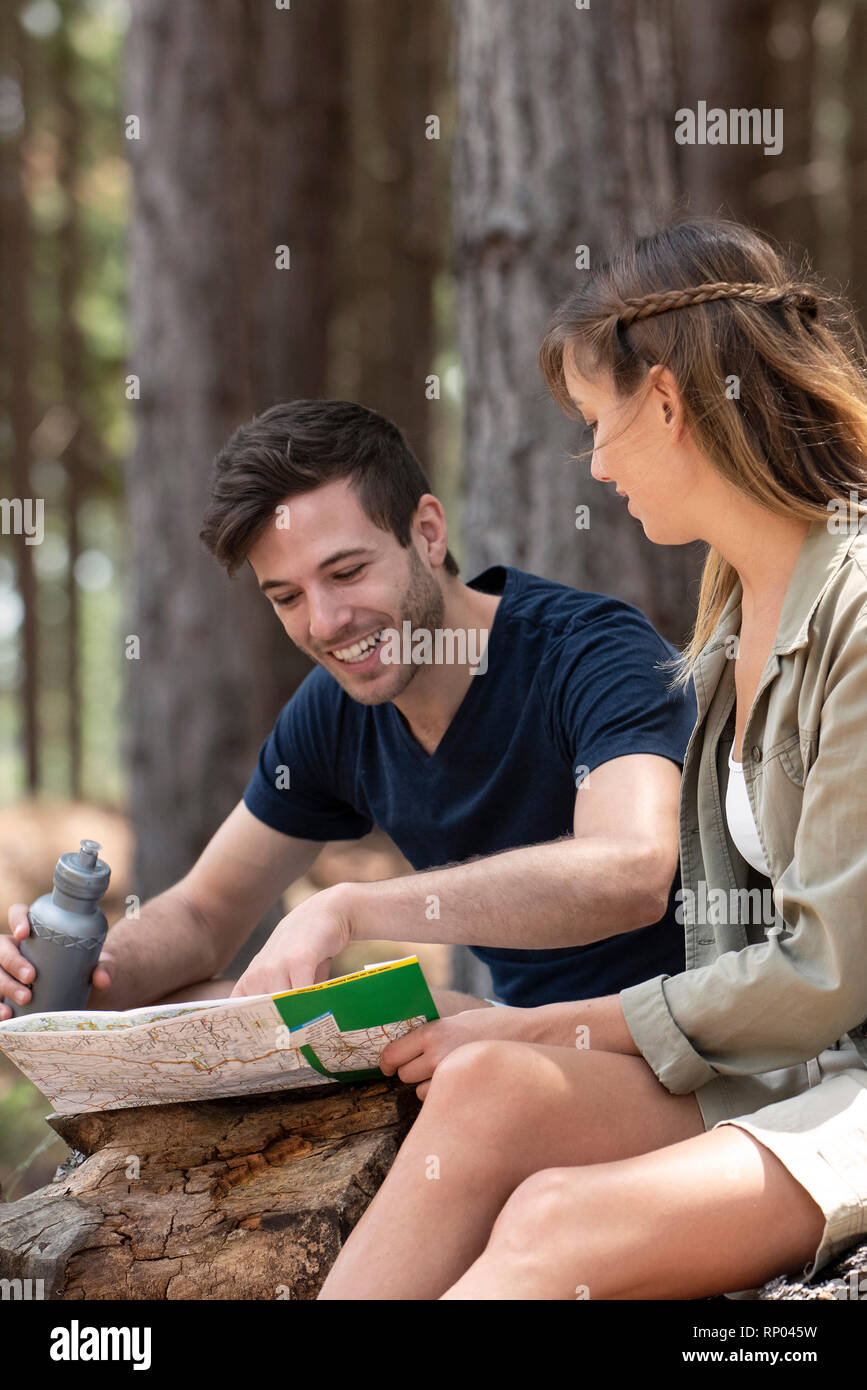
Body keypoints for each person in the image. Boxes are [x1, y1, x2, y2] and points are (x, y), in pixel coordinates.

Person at [316, 217, 867, 1301]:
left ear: (666, 402)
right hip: (782, 1070)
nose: (597, 465)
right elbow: (734, 962)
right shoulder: (729, 618)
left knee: (556, 1221)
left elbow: (821, 972)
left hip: (849, 1086)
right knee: (482, 1086)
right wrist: (507, 1034)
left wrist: (546, 1020)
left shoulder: (855, 608)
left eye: (598, 424)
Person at [1, 400, 695, 1023]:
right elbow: (204, 913)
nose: (326, 622)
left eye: (345, 573)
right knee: (201, 1010)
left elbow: (631, 870)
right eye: (286, 597)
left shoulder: (589, 652)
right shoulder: (334, 711)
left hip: (683, 1040)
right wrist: (65, 978)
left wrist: (347, 908)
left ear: (426, 532)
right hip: (509, 1031)